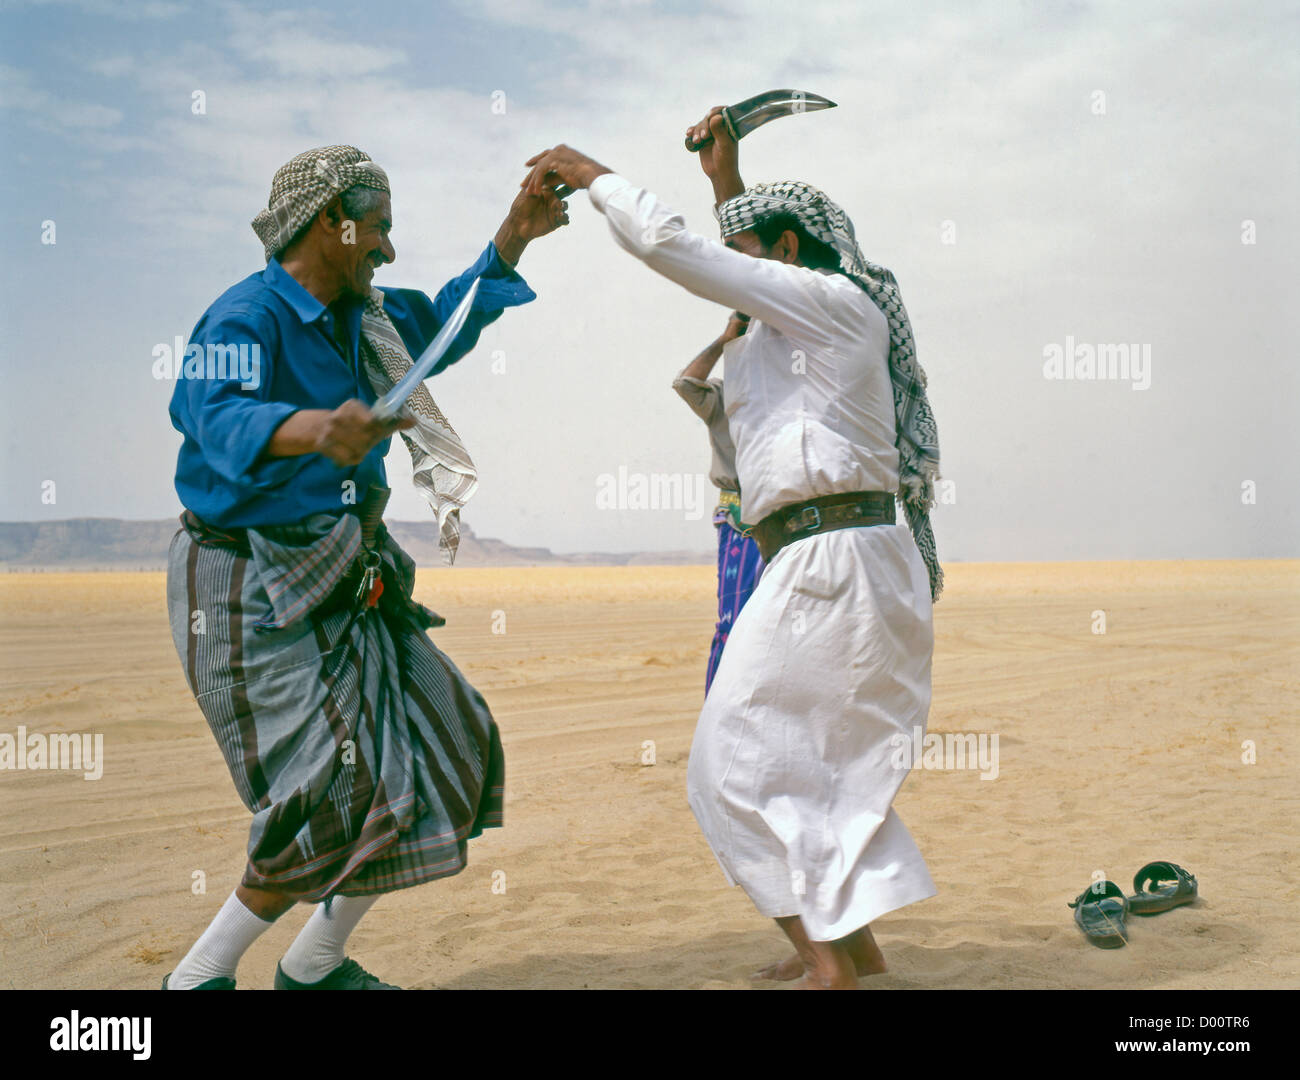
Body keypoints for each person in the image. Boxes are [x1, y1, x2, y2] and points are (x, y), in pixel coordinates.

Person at [522, 109, 943, 990]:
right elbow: (739, 271)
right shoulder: (771, 334)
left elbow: (687, 251)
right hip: (815, 564)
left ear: (788, 250)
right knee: (810, 772)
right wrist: (728, 177)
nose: (741, 265)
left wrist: (595, 174)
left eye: (755, 247)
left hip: (840, 561)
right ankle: (855, 954)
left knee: (725, 772)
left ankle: (825, 966)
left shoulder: (838, 307)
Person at [162, 144, 567, 990]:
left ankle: (313, 965)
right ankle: (198, 976)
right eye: (376, 230)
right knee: (328, 783)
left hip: (350, 572)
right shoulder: (245, 317)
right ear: (329, 225)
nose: (386, 248)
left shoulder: (366, 318)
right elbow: (208, 412)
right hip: (250, 581)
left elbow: (450, 323)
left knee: (446, 738)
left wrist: (515, 236)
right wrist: (313, 429)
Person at [672, 312, 764, 693]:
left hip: (785, 516)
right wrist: (727, 336)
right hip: (742, 517)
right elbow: (686, 383)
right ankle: (719, 714)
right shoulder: (722, 398)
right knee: (733, 621)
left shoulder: (783, 401)